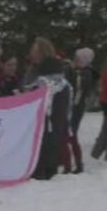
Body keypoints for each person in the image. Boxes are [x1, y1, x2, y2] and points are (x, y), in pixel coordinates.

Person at [26, 46, 71, 181]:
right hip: (58, 124)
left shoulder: (42, 85)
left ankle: (39, 173)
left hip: (43, 125)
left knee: (42, 148)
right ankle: (51, 171)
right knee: (53, 148)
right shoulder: (65, 85)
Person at [67, 47, 96, 174]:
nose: (75, 60)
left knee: (71, 133)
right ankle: (72, 162)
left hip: (77, 107)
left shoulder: (86, 73)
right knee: (70, 134)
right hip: (75, 106)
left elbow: (79, 88)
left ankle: (78, 163)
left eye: (77, 58)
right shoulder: (79, 71)